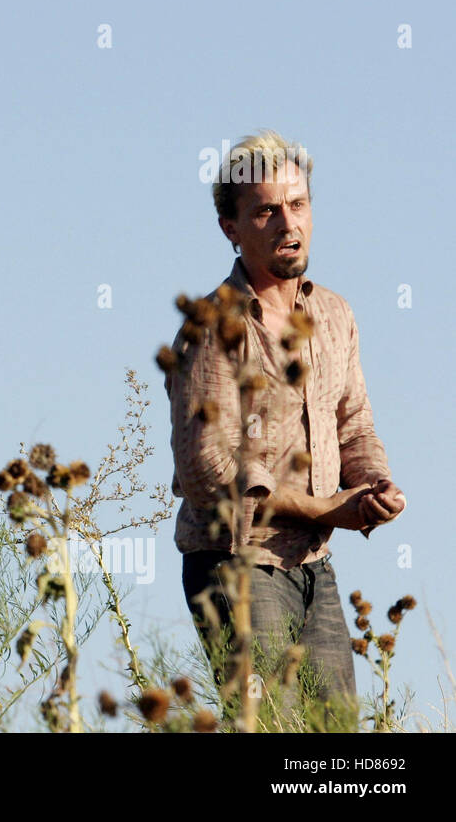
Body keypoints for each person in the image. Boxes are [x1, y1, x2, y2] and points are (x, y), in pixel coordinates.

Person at [165, 130, 405, 727]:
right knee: (272, 730)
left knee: (337, 741)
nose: (286, 222)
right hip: (235, 562)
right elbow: (207, 474)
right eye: (266, 210)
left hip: (314, 567)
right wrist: (325, 508)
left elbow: (353, 424)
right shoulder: (211, 327)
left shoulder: (333, 314)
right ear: (230, 227)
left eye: (298, 204)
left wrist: (374, 489)